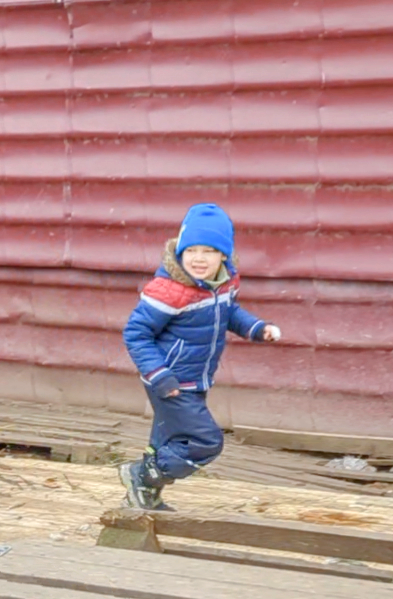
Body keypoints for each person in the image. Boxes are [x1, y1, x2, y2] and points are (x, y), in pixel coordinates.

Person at [119, 203, 279, 510]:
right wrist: (160, 375)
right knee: (206, 442)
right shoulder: (168, 291)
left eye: (208, 251)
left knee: (168, 441)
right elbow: (136, 334)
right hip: (170, 379)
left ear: (224, 256)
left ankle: (143, 500)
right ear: (180, 251)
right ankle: (141, 474)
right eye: (191, 250)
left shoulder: (222, 285)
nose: (199, 259)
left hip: (197, 377)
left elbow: (229, 313)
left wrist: (257, 328)